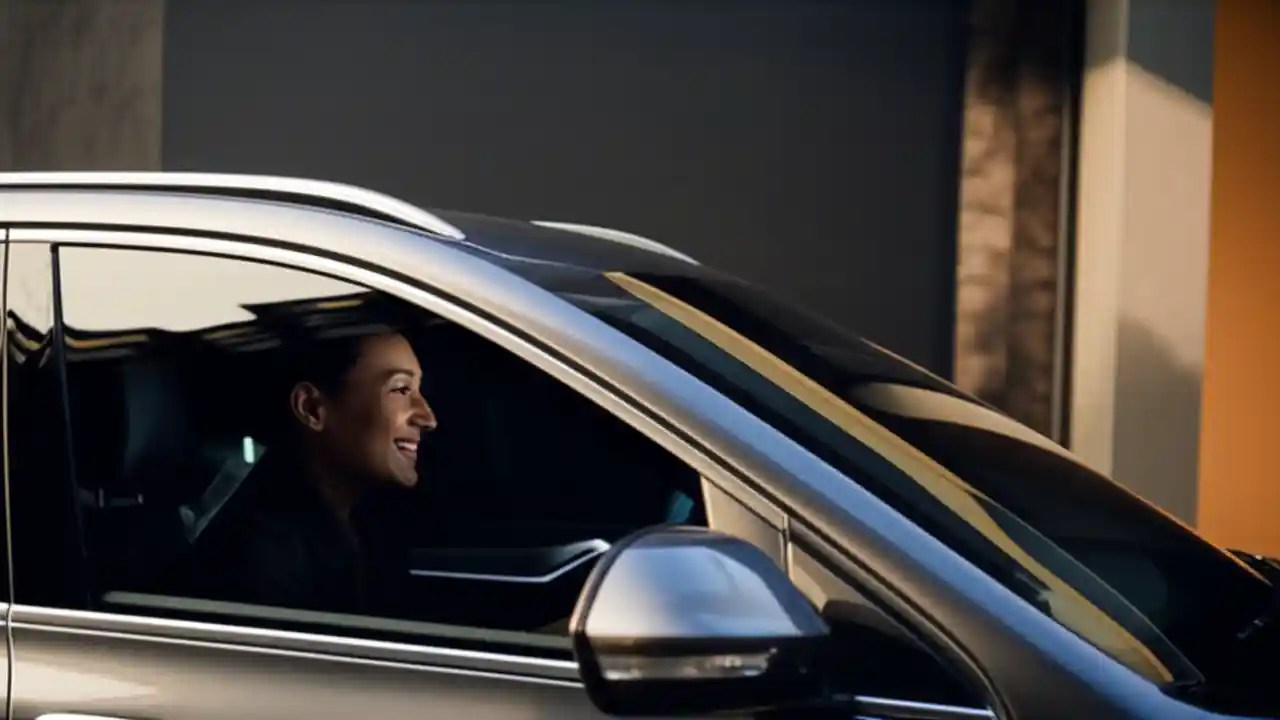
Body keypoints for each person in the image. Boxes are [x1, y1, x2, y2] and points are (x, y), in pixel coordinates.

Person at [182, 329, 437, 614]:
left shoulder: (367, 522)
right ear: (312, 409)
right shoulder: (266, 559)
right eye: (401, 390)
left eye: (418, 390)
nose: (428, 418)